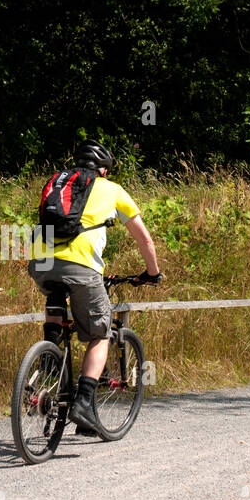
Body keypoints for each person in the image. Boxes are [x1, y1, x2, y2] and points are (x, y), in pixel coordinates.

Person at [27, 140, 161, 435]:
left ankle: (49, 361)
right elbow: (144, 238)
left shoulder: (58, 181)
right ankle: (84, 404)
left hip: (40, 262)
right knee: (101, 334)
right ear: (103, 169)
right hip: (81, 267)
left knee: (57, 297)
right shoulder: (110, 188)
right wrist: (153, 273)